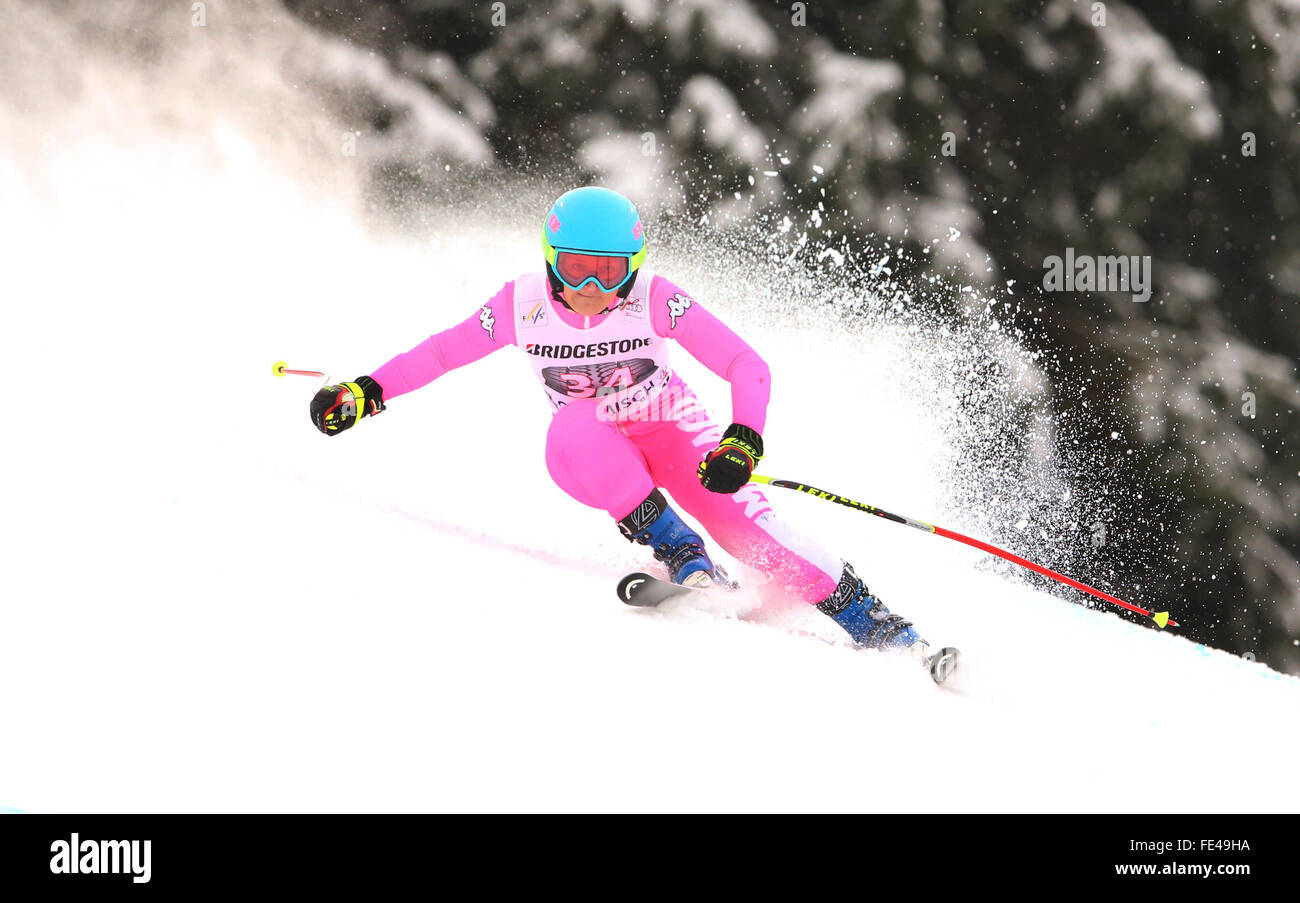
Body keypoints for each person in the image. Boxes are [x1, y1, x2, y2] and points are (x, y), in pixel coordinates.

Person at [310, 186, 941, 659]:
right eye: (575, 266)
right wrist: (368, 392)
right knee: (572, 431)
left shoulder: (655, 299)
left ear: (633, 265)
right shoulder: (520, 306)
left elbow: (746, 363)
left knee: (747, 528)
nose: (591, 285)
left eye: (609, 270)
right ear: (550, 258)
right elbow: (443, 352)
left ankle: (882, 627)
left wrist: (741, 439)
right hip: (598, 448)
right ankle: (678, 549)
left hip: (674, 430)